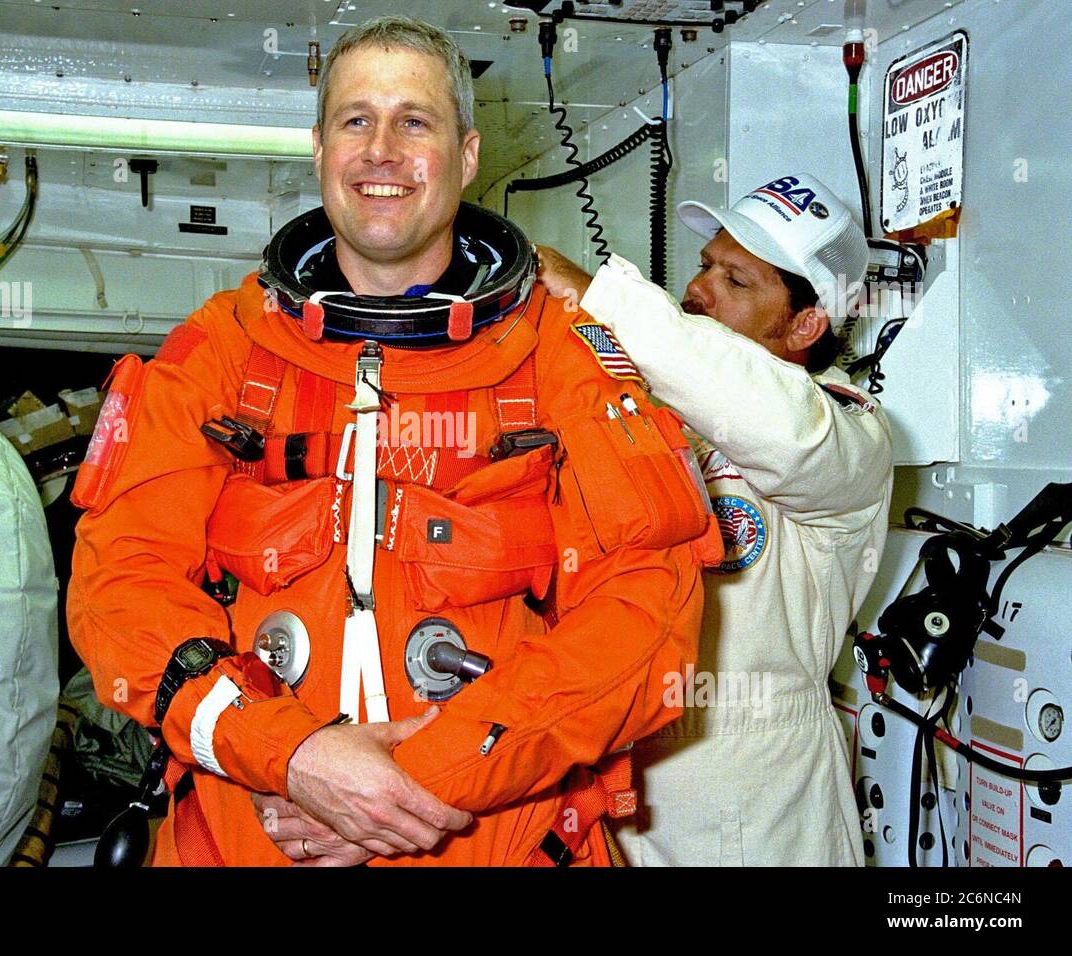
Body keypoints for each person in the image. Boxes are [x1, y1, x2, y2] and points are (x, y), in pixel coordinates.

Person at [66, 15, 721, 867]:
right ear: (319, 147)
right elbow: (120, 576)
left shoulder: (562, 356)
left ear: (468, 154)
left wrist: (421, 781)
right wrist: (292, 755)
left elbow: (644, 617)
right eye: (355, 119)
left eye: (415, 121)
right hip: (251, 837)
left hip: (485, 835)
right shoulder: (226, 348)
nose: (381, 149)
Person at [537, 172, 893, 866]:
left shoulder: (845, 432)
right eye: (705, 265)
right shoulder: (643, 405)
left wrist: (603, 297)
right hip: (608, 760)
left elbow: (775, 424)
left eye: (736, 281)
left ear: (804, 324)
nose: (698, 289)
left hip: (756, 789)